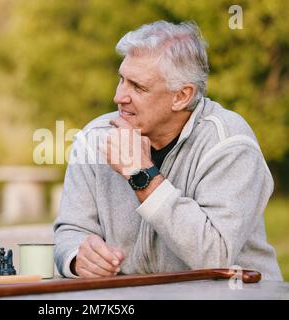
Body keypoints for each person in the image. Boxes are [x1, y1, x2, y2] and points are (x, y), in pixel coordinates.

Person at [53, 20, 283, 280]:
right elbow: (70, 231)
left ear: (182, 96)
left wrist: (141, 175)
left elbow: (214, 255)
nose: (119, 96)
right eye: (122, 80)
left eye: (138, 87)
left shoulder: (229, 143)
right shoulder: (93, 139)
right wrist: (76, 258)